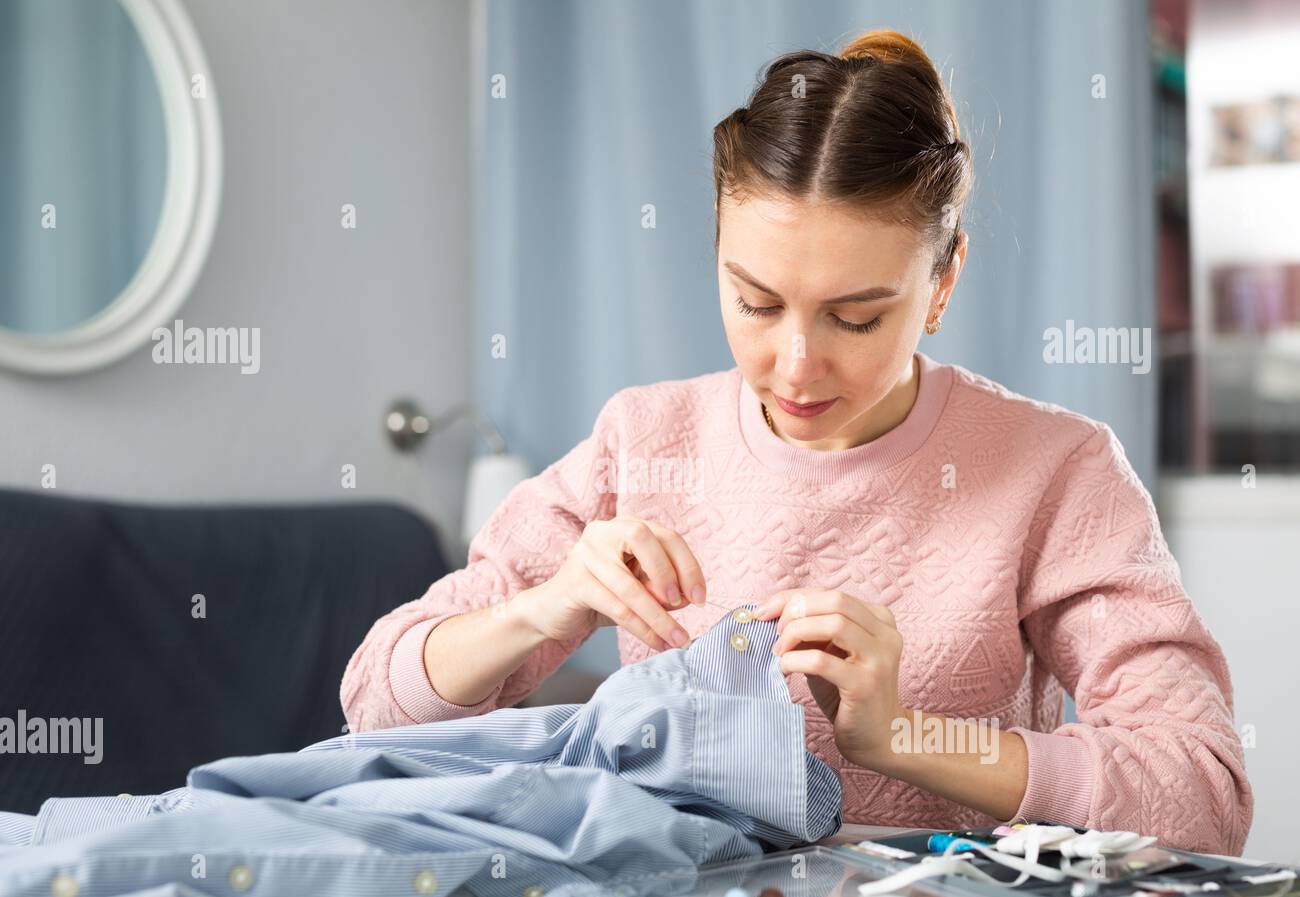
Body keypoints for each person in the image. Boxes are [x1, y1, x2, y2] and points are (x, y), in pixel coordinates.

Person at [341, 29, 1251, 854]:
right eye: (756, 302)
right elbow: (375, 708)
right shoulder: (642, 440)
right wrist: (543, 608)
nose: (796, 365)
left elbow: (1202, 790)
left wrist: (907, 740)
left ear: (942, 281)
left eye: (856, 317)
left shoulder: (1056, 470)